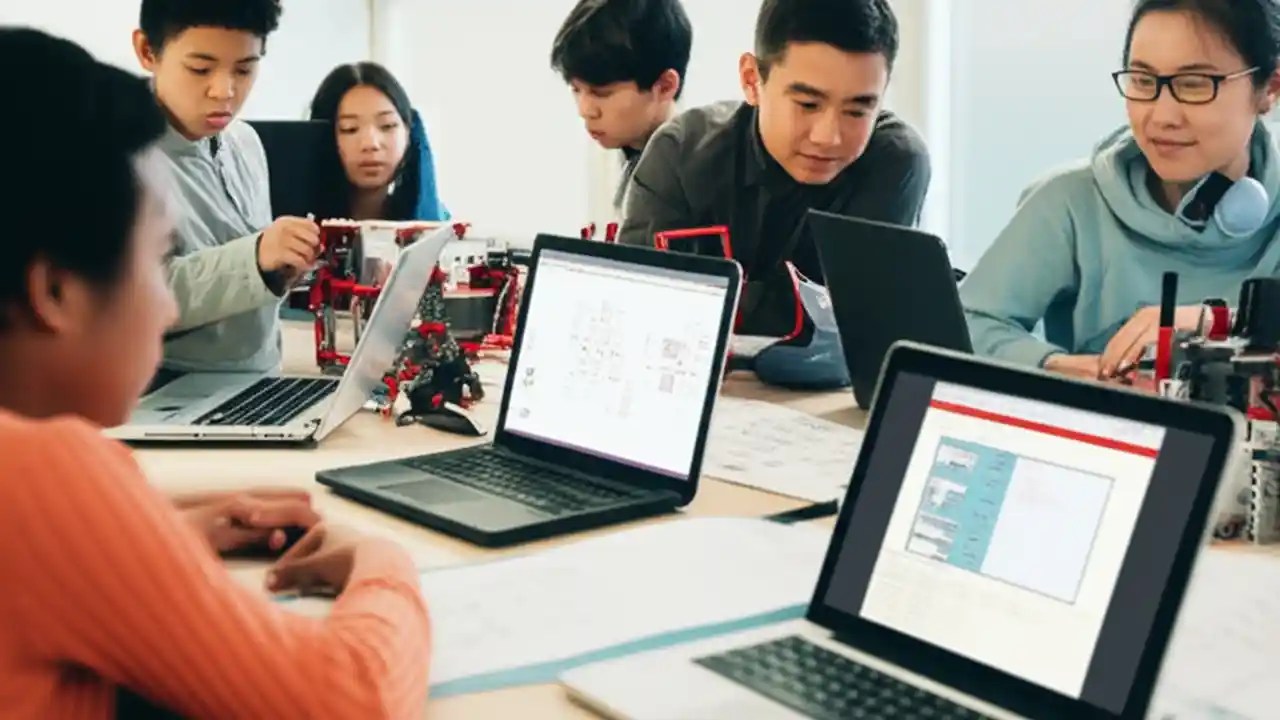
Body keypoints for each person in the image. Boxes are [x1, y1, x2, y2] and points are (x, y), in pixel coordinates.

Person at [0, 28, 430, 719]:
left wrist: (160, 530)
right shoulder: (42, 474)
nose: (167, 300)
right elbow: (350, 698)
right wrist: (386, 561)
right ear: (55, 293)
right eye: (154, 260)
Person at [960, 0, 1280, 381]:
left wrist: (1215, 322)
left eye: (1194, 85)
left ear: (1269, 89)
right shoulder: (1070, 200)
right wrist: (1079, 371)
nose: (1161, 116)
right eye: (1144, 81)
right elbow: (967, 323)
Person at [617, 0, 931, 287]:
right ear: (752, 80)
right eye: (808, 104)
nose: (828, 137)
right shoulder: (680, 155)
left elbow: (853, 315)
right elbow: (643, 301)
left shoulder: (894, 161)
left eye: (857, 111)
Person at [133, 0, 322, 375]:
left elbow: (250, 284)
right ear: (147, 51)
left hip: (258, 378)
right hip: (164, 394)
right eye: (200, 69)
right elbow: (130, 300)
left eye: (245, 69)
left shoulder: (245, 143)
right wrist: (255, 257)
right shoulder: (116, 154)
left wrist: (280, 270)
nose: (224, 91)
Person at [551, 0, 692, 213]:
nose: (585, 110)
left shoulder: (698, 182)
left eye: (602, 93)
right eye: (575, 89)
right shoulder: (610, 150)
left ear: (664, 86)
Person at [309, 61, 450, 222]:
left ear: (408, 133)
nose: (371, 144)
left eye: (387, 125)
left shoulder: (439, 225)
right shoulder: (287, 226)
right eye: (350, 129)